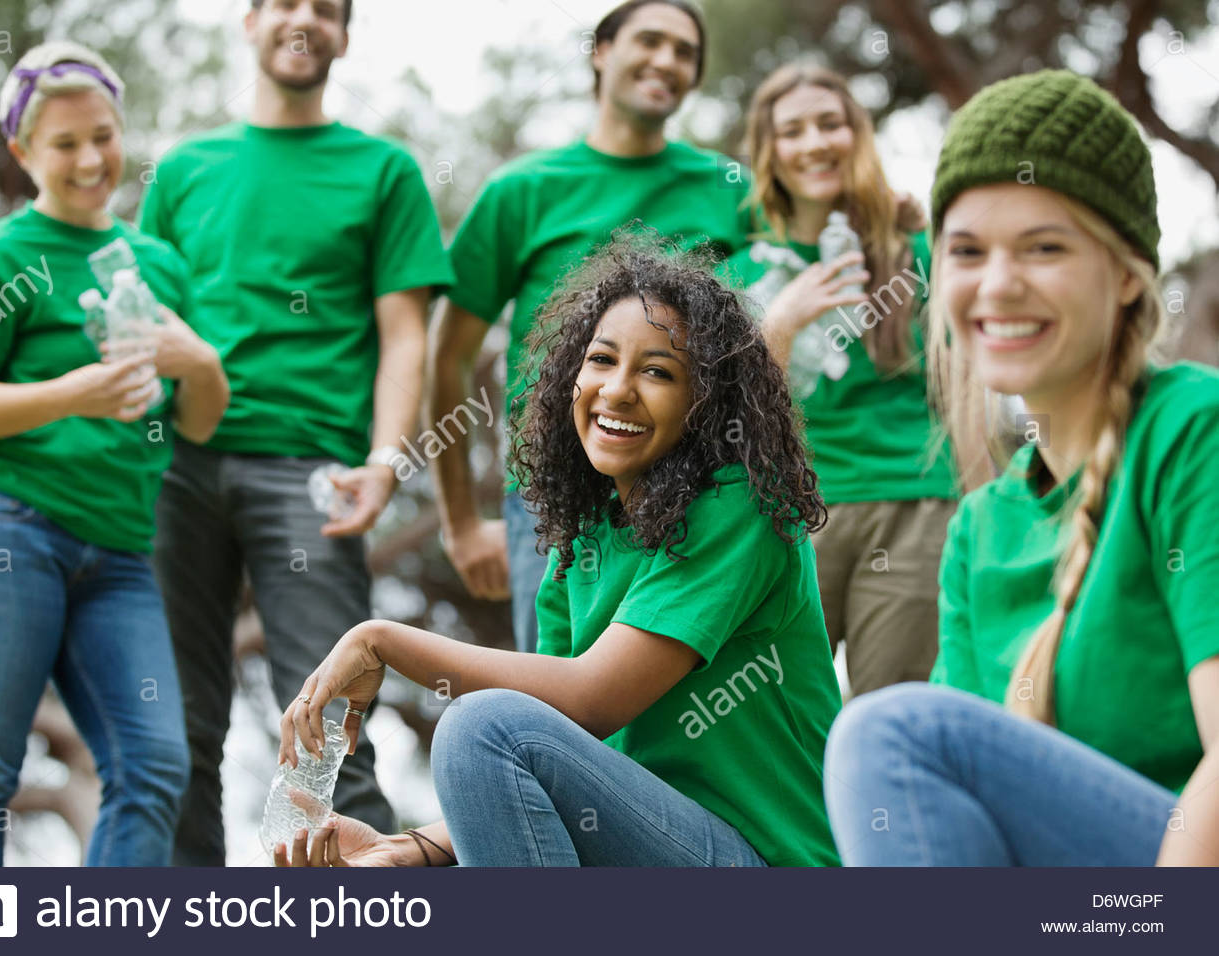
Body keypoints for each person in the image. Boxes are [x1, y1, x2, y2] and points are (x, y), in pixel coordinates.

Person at [272, 237, 841, 867]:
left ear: (708, 402)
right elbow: (554, 748)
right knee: (482, 741)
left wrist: (381, 640)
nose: (617, 390)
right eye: (601, 359)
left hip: (762, 866)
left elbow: (590, 700)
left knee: (476, 725)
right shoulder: (582, 540)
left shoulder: (739, 506)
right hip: (652, 853)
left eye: (658, 372)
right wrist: (410, 850)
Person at [823, 70, 1219, 866]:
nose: (998, 284)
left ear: (1128, 274)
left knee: (886, 730)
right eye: (967, 251)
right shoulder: (980, 527)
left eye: (1044, 246)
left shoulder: (1191, 429)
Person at [138, 0, 454, 864]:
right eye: (285, 2)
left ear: (346, 36)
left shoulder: (383, 172)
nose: (304, 19)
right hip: (175, 469)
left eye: (327, 8)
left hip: (312, 474)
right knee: (172, 733)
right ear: (249, 20)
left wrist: (387, 462)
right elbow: (142, 324)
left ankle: (363, 912)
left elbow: (403, 339)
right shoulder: (182, 171)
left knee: (326, 735)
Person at [0, 41, 229, 866]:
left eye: (103, 135)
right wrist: (75, 393)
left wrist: (200, 364)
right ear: (24, 153)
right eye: (64, 144)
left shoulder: (159, 265)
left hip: (120, 555)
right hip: (3, 532)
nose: (91, 158)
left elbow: (197, 422)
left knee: (158, 764)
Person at [429, 0, 751, 653]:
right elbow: (448, 356)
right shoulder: (523, 191)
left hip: (701, 489)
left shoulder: (731, 190)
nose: (666, 61)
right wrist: (461, 522)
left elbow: (799, 279)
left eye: (685, 52)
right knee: (550, 714)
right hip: (553, 501)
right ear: (601, 52)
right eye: (650, 41)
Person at [722, 65, 958, 697]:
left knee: (892, 715)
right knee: (777, 712)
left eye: (830, 124)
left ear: (857, 135)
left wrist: (985, 513)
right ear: (770, 153)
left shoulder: (917, 254)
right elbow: (732, 426)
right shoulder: (741, 278)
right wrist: (787, 320)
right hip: (793, 518)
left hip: (916, 506)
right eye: (792, 131)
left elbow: (965, 393)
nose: (814, 143)